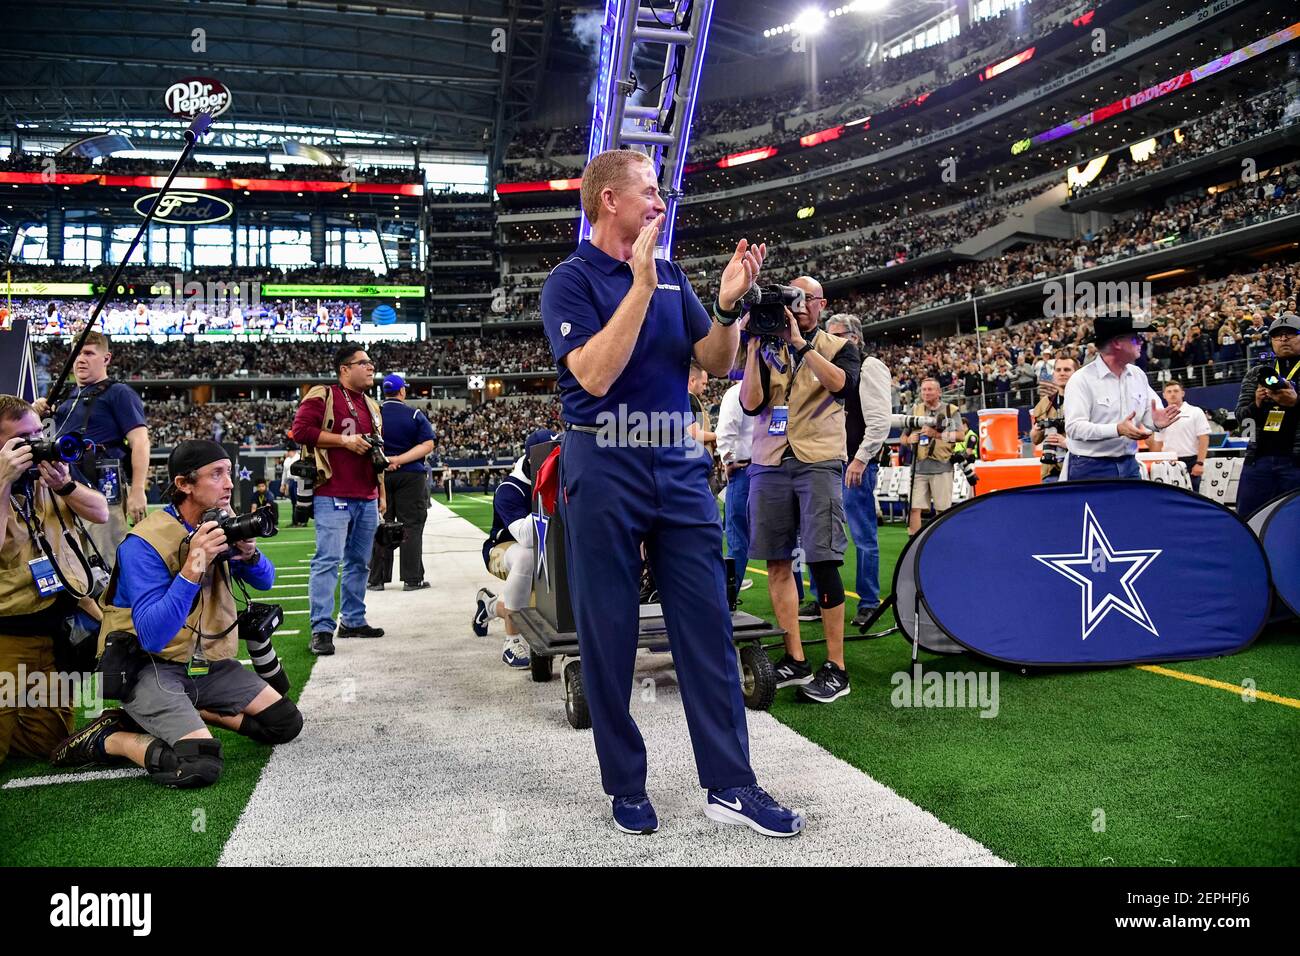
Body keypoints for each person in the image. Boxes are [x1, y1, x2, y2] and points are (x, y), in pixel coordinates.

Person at [541, 148, 803, 837]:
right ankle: (625, 786)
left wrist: (724, 305)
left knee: (707, 624)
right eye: (650, 193)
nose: (660, 204)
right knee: (609, 631)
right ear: (609, 202)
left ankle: (731, 783)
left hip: (676, 457)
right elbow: (594, 376)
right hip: (602, 457)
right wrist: (636, 283)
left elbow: (714, 361)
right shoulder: (568, 282)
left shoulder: (671, 275)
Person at [48, 440, 302, 787]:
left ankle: (184, 711)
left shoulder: (217, 522)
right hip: (149, 665)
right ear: (184, 484)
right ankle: (113, 738)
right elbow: (154, 635)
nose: (228, 483)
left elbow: (266, 581)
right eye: (216, 474)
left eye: (228, 472)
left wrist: (251, 555)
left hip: (201, 662)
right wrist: (194, 566)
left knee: (285, 723)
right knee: (199, 765)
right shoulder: (144, 542)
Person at [740, 275, 860, 703]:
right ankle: (795, 657)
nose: (797, 306)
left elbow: (842, 385)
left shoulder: (841, 347)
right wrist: (755, 345)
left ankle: (837, 668)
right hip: (770, 460)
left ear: (821, 303)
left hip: (818, 460)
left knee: (823, 560)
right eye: (791, 299)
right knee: (776, 562)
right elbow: (751, 403)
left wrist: (802, 345)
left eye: (804, 298)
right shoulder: (766, 346)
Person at [0, 395, 109, 768]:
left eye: (37, 434)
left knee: (47, 741)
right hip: (8, 634)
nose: (36, 445)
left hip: (55, 629)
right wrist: (2, 484)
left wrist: (65, 486)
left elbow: (100, 513)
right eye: (22, 440)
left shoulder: (49, 475)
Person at [290, 344, 387, 657]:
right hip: (332, 490)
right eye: (363, 362)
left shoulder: (372, 404)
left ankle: (353, 619)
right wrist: (343, 440)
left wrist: (381, 492)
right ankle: (321, 627)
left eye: (371, 362)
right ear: (345, 369)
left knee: (359, 562)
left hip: (367, 494)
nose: (371, 367)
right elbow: (300, 430)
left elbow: (378, 452)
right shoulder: (324, 394)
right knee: (328, 561)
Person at [32, 332, 151, 570]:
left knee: (108, 562)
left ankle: (115, 608)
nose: (80, 360)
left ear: (106, 358)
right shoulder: (65, 401)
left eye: (88, 353)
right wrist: (35, 413)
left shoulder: (118, 393)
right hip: (64, 491)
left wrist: (138, 490)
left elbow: (140, 441)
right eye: (76, 354)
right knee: (71, 564)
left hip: (104, 488)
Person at [473, 429, 557, 668]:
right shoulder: (510, 489)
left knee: (535, 605)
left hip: (543, 547)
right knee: (525, 558)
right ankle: (512, 641)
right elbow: (526, 537)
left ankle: (489, 606)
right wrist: (546, 491)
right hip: (503, 547)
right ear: (534, 461)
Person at [828, 313, 890, 629]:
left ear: (853, 338)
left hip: (854, 464)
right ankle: (824, 596)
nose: (829, 341)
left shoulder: (869, 367)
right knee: (825, 534)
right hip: (831, 461)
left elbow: (880, 420)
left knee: (863, 534)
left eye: (835, 335)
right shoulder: (836, 370)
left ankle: (868, 601)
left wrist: (861, 458)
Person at [1063, 314, 1179, 480]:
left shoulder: (1138, 375)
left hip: (1129, 464)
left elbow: (1149, 412)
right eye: (1135, 338)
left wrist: (1155, 422)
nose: (1141, 342)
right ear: (1117, 343)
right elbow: (1074, 428)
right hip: (1090, 467)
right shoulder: (1081, 380)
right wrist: (1117, 429)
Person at [368, 374, 436, 592]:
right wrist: (400, 459)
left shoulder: (374, 414)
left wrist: (386, 461)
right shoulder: (414, 414)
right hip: (411, 475)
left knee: (381, 526)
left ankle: (376, 579)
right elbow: (427, 444)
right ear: (402, 391)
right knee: (411, 527)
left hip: (379, 475)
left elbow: (366, 443)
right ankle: (412, 578)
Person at [1234, 312, 1300, 516]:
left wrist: (1296, 402)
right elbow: (1242, 421)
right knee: (1248, 519)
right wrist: (1256, 404)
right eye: (1277, 335)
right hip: (1259, 461)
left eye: (1291, 333)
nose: (1283, 339)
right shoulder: (1257, 373)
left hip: (1296, 462)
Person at [903, 378, 963, 535]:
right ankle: (913, 542)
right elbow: (903, 438)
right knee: (914, 507)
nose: (926, 392)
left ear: (939, 392)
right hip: (918, 467)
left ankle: (941, 539)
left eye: (930, 389)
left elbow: (960, 436)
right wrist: (909, 440)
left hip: (942, 466)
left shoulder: (951, 410)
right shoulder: (915, 410)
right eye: (923, 390)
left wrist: (936, 434)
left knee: (942, 508)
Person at [714, 380, 755, 596]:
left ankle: (727, 599)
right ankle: (796, 598)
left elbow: (725, 433)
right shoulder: (780, 385)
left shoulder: (738, 391)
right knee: (784, 545)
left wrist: (728, 461)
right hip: (775, 470)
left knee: (738, 539)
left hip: (745, 471)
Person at [1148, 381, 1211, 492]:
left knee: (1193, 498)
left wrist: (1200, 463)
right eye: (1169, 392)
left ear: (1182, 393)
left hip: (1191, 462)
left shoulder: (1195, 412)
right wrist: (1155, 465)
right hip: (1166, 463)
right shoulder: (1161, 415)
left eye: (1176, 391)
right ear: (1164, 395)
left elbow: (1203, 438)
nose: (1172, 394)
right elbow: (1158, 443)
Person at [1030, 355, 1077, 482]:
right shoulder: (1044, 403)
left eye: (1067, 370)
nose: (1062, 373)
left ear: (1076, 373)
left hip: (1078, 468)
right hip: (1050, 470)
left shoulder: (1085, 400)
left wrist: (1066, 443)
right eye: (1058, 370)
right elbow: (1035, 440)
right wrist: (1036, 432)